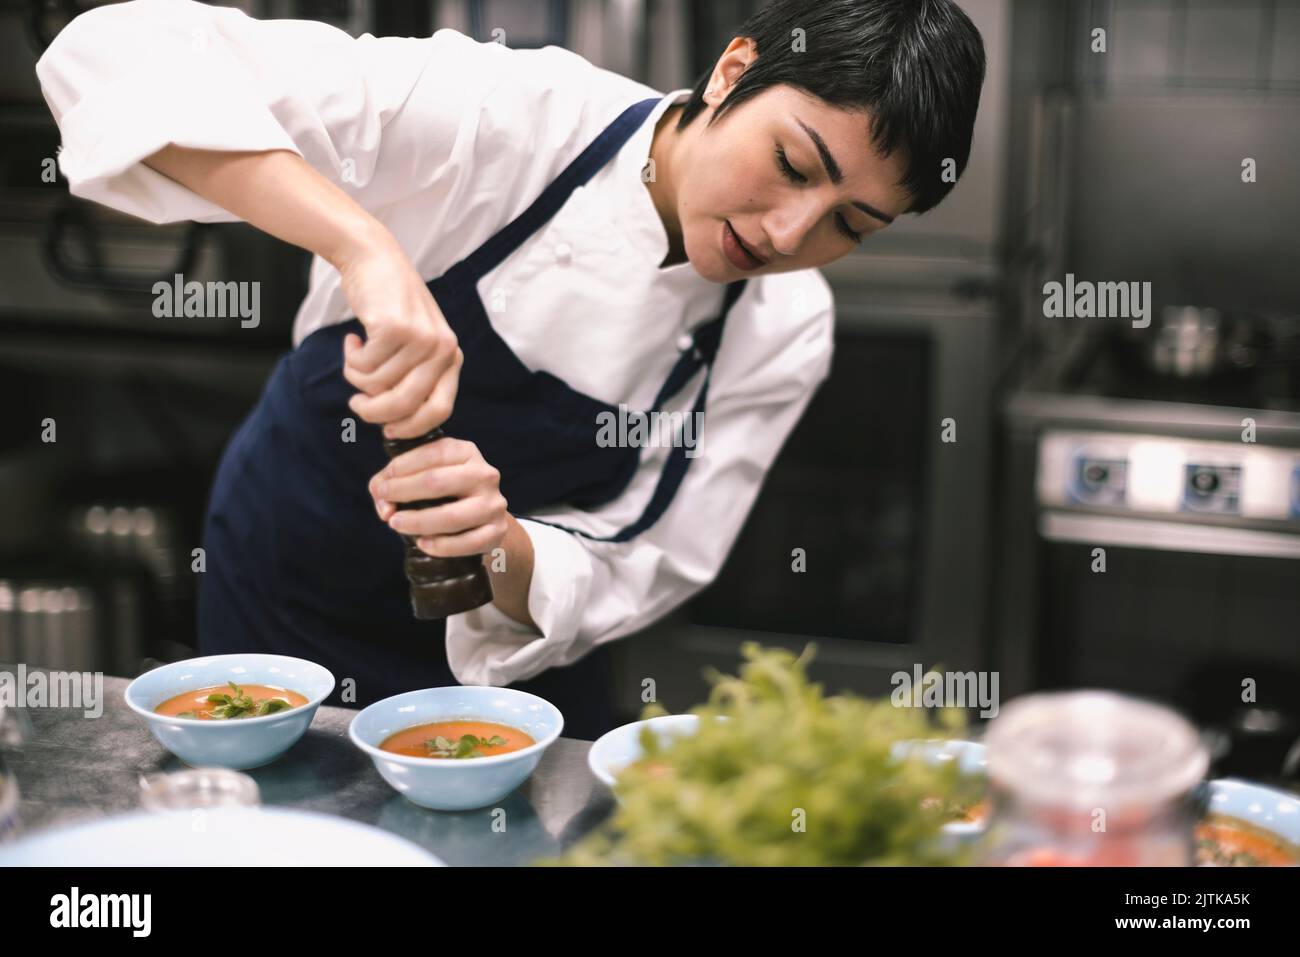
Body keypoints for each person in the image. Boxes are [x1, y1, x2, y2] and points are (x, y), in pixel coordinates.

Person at [36, 0, 985, 738]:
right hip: (292, 579)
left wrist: (498, 544)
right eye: (790, 162)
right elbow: (117, 51)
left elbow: (651, 556)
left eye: (849, 225)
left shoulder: (784, 327)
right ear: (733, 72)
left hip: (513, 667)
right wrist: (367, 248)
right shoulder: (510, 115)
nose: (789, 233)